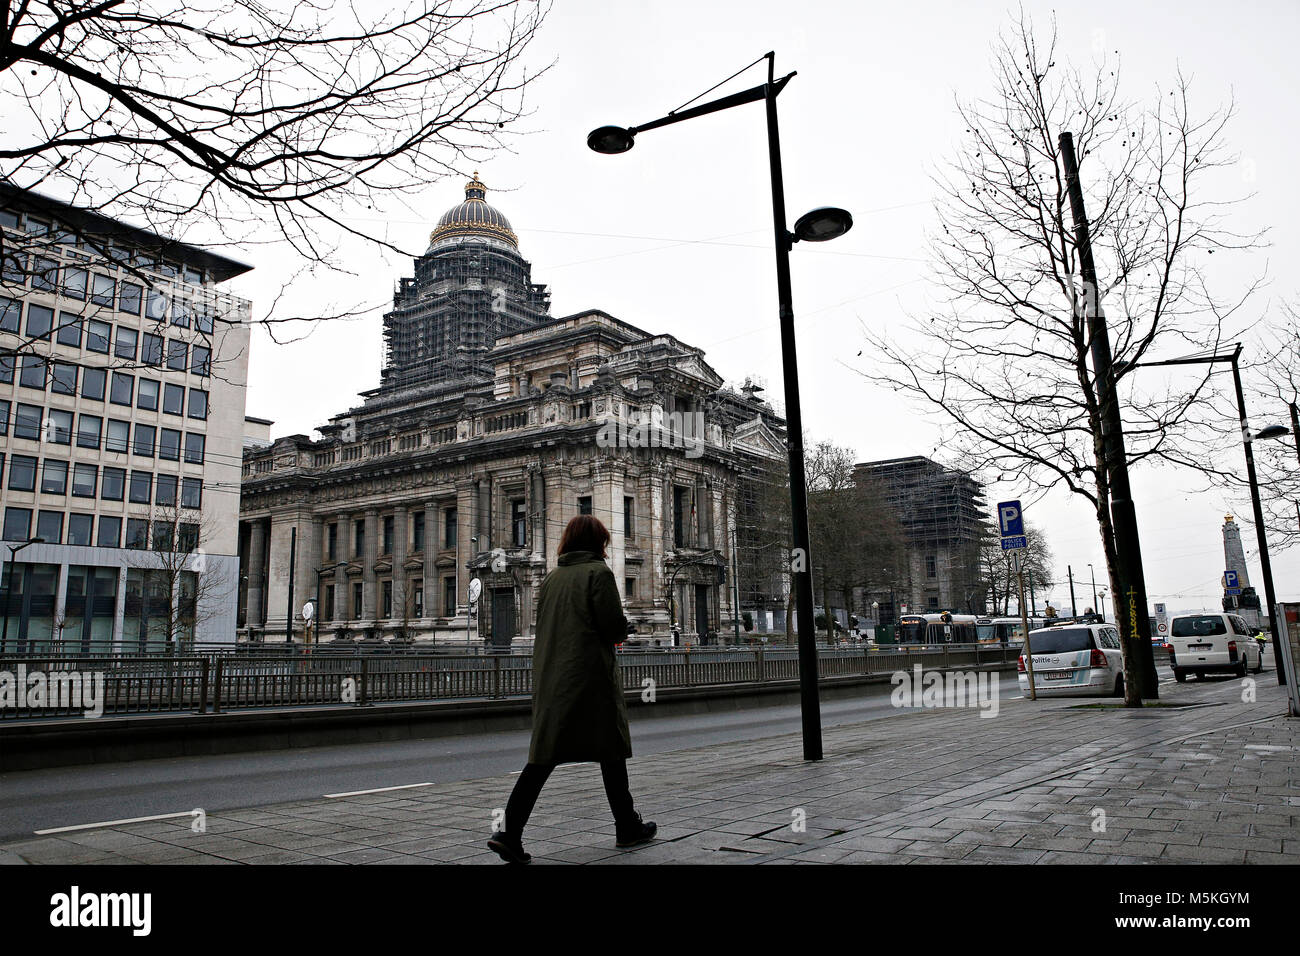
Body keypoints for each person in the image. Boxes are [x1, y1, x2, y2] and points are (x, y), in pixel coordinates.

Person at [487, 515, 656, 864]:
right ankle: (626, 828)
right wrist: (626, 626)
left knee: (542, 758)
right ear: (598, 544)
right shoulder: (599, 573)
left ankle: (509, 832)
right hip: (590, 679)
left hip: (553, 679)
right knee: (611, 750)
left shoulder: (552, 578)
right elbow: (612, 629)